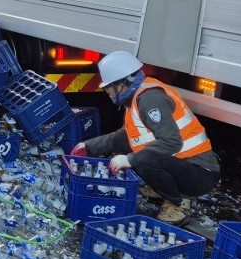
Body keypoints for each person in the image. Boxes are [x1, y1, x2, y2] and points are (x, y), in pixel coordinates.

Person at [71, 51, 220, 225]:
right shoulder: (137, 96)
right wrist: (88, 146)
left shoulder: (150, 99)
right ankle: (164, 188)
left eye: (108, 88)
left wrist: (130, 159)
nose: (108, 93)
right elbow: (125, 137)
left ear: (123, 83)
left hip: (200, 173)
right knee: (138, 153)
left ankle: (178, 204)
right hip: (183, 165)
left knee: (142, 158)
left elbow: (172, 142)